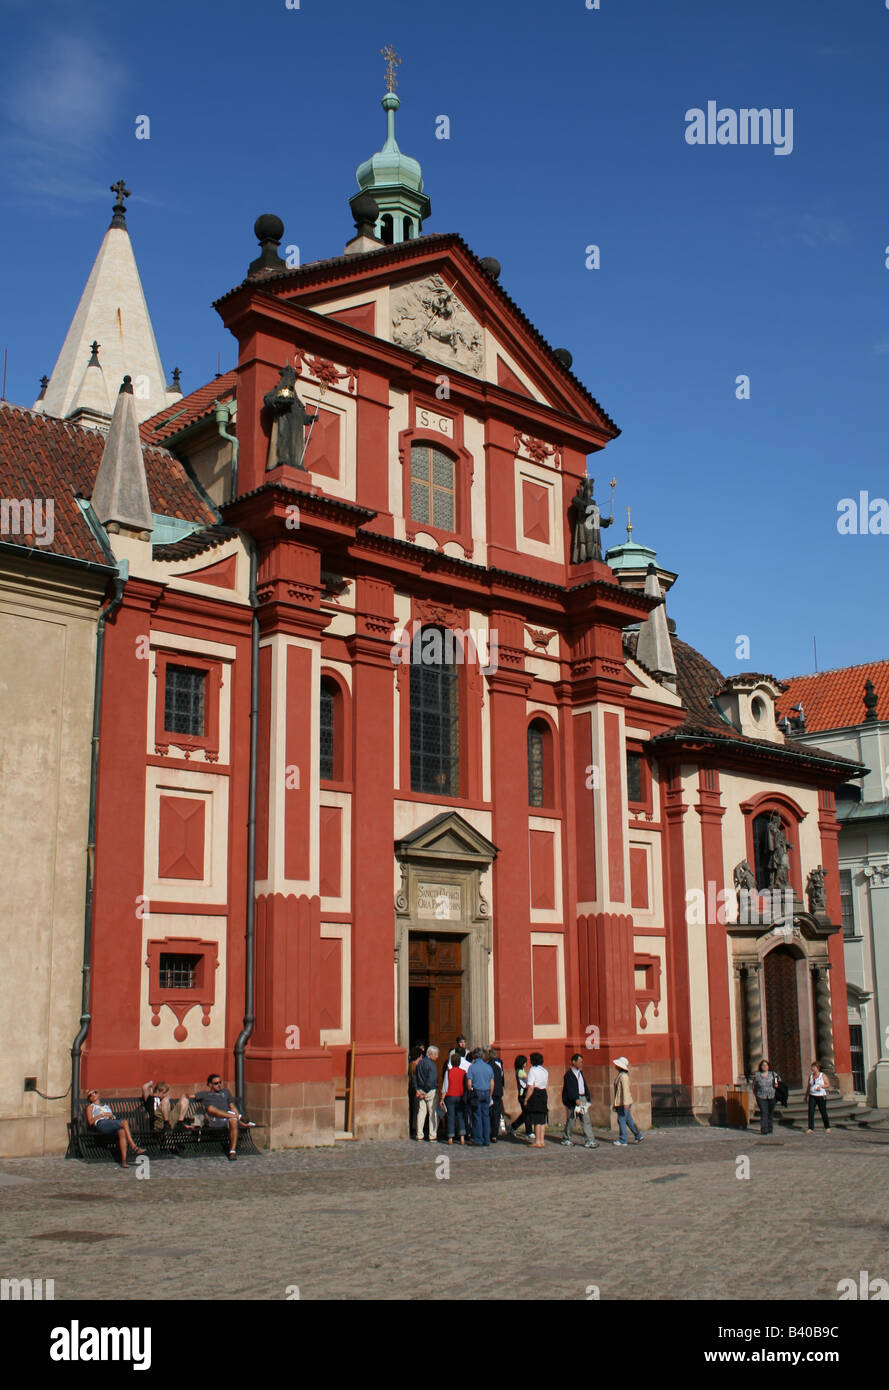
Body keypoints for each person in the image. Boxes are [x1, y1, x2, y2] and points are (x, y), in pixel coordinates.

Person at [194, 1074, 256, 1161]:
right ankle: (237, 1117)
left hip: (226, 1117)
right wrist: (184, 1097)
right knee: (211, 1108)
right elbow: (189, 1096)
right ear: (210, 1085)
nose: (219, 1085)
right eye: (216, 1083)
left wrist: (236, 1117)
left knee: (233, 1121)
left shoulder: (225, 1092)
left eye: (220, 1082)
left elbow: (232, 1106)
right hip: (214, 1118)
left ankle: (232, 1151)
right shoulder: (205, 1094)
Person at [84, 1089, 146, 1168]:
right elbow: (90, 1121)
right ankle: (133, 1146)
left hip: (110, 1123)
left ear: (98, 1094)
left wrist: (111, 1116)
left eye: (95, 1092)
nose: (93, 1095)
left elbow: (113, 1118)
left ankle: (124, 1161)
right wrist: (102, 1115)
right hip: (101, 1124)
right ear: (89, 1099)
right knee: (124, 1122)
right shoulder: (91, 1107)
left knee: (122, 1131)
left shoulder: (106, 1106)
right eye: (90, 1095)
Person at [561, 1054, 599, 1149]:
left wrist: (587, 1096)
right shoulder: (569, 1075)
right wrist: (575, 1098)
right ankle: (566, 1138)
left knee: (586, 1120)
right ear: (573, 1062)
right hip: (574, 1100)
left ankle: (590, 1140)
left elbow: (583, 1085)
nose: (581, 1064)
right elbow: (569, 1088)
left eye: (582, 1062)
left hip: (582, 1098)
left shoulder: (580, 1073)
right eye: (579, 1062)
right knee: (571, 1120)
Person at [466, 1048, 495, 1146]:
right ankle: (487, 1140)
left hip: (476, 1092)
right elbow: (492, 1083)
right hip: (486, 1092)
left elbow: (469, 1084)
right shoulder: (488, 1067)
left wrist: (471, 1090)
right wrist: (490, 1094)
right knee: (486, 1116)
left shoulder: (472, 1067)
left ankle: (478, 1139)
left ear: (474, 1056)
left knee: (477, 1116)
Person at [612, 1057, 643, 1146]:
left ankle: (623, 1140)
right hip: (622, 1102)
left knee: (621, 1119)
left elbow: (625, 1090)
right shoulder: (622, 1075)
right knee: (628, 1120)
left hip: (624, 1102)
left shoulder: (623, 1077)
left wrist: (625, 1103)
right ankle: (638, 1135)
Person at [413, 1045, 440, 1142]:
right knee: (432, 1113)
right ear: (431, 1054)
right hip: (429, 1091)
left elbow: (415, 1077)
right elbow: (431, 1080)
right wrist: (424, 1091)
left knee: (421, 1113)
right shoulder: (431, 1065)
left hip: (420, 1091)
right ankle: (432, 1135)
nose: (437, 1056)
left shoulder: (420, 1063)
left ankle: (419, 1134)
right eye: (436, 1054)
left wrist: (417, 1089)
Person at [441, 1049, 467, 1145]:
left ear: (451, 1062)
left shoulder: (449, 1072)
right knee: (460, 1116)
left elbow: (445, 1086)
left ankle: (450, 1137)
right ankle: (462, 1137)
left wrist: (442, 1097)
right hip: (460, 1095)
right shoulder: (463, 1072)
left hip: (450, 1096)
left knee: (450, 1116)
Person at [524, 1052, 549, 1148]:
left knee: (536, 1119)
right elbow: (547, 1085)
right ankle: (542, 1140)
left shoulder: (532, 1070)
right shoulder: (545, 1071)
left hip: (536, 1094)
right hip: (543, 1093)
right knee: (542, 1119)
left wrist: (526, 1098)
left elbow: (531, 1086)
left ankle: (537, 1141)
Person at [751, 1059, 779, 1135]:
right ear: (760, 1067)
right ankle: (764, 1129)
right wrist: (756, 1094)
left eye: (766, 1065)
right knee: (764, 1112)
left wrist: (776, 1084)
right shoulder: (757, 1075)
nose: (765, 1066)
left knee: (770, 1112)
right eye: (763, 1065)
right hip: (761, 1096)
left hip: (772, 1096)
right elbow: (754, 1085)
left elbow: (778, 1081)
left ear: (768, 1066)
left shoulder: (773, 1074)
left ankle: (770, 1127)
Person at [509, 1054, 533, 1140]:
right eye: (525, 1061)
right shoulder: (519, 1071)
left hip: (524, 1094)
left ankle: (513, 1126)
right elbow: (528, 1078)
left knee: (525, 1114)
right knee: (527, 1114)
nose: (526, 1063)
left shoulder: (521, 1070)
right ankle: (529, 1131)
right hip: (522, 1095)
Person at [805, 1061, 831, 1133]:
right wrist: (806, 1095)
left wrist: (821, 1086)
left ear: (817, 1068)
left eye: (814, 1067)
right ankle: (810, 1128)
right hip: (812, 1095)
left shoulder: (822, 1075)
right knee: (811, 1111)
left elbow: (828, 1084)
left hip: (820, 1096)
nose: (812, 1068)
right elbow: (808, 1086)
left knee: (823, 1111)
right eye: (812, 1067)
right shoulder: (811, 1076)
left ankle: (827, 1126)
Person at [487, 1046, 506, 1141]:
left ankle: (489, 1132)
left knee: (489, 1113)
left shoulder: (487, 1066)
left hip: (490, 1092)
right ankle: (495, 1134)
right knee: (497, 1114)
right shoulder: (498, 1067)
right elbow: (502, 1079)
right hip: (498, 1092)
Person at [407, 1043, 425, 1139]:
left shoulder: (411, 1064)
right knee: (416, 1108)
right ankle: (415, 1127)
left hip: (412, 1088)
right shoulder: (414, 1066)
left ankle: (414, 1126)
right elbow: (415, 1078)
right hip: (415, 1089)